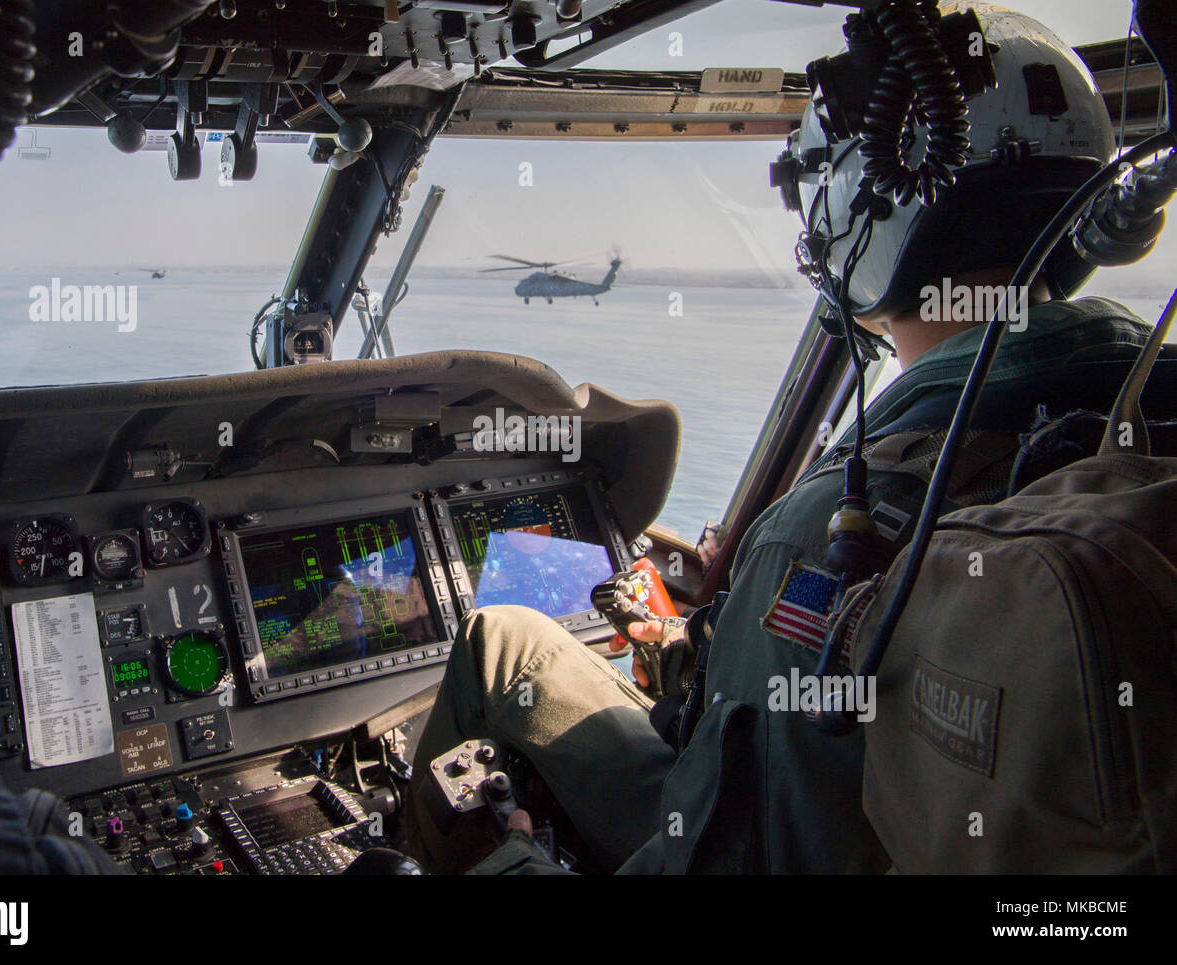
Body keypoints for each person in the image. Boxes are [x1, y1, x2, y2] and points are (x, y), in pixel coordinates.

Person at [403, 3, 1163, 874]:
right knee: (510, 640)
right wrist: (691, 653)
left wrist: (510, 858)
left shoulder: (827, 538)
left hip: (724, 828)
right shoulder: (1142, 420)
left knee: (490, 656)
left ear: (854, 214)